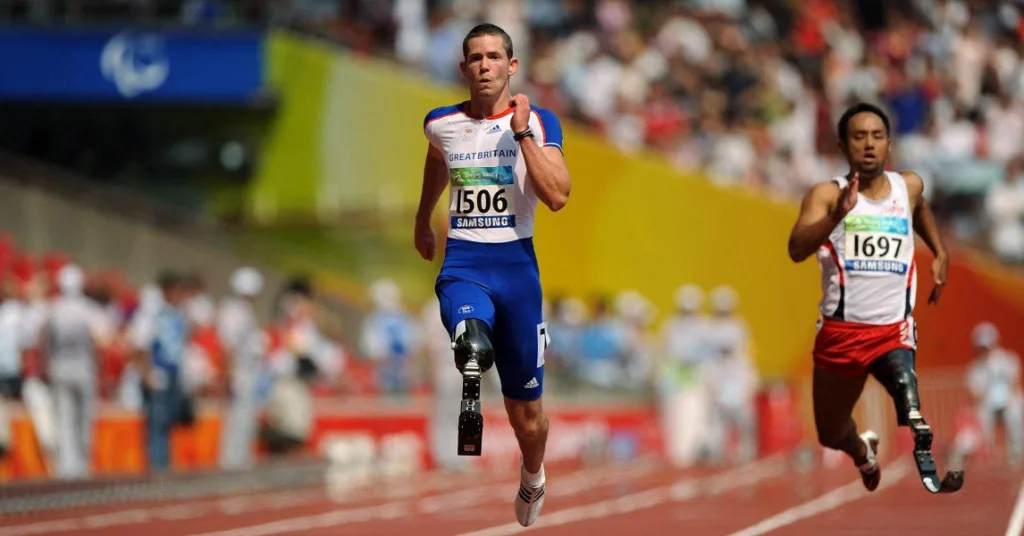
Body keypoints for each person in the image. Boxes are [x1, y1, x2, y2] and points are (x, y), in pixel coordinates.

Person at [414, 22, 570, 527]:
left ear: (512, 66)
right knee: (471, 341)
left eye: (494, 57)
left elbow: (558, 196)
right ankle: (472, 354)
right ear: (464, 68)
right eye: (475, 58)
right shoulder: (441, 123)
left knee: (528, 418)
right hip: (464, 263)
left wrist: (522, 133)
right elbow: (438, 159)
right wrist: (422, 220)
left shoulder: (540, 122)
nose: (484, 65)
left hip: (518, 272)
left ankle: (533, 474)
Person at [787, 102, 950, 492]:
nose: (869, 145)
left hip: (892, 329)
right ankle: (863, 451)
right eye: (859, 137)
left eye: (877, 136)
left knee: (904, 385)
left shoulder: (907, 186)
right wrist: (835, 218)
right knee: (830, 432)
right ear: (843, 146)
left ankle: (915, 424)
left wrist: (940, 252)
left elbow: (920, 209)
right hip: (841, 334)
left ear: (889, 144)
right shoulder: (827, 194)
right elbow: (795, 250)